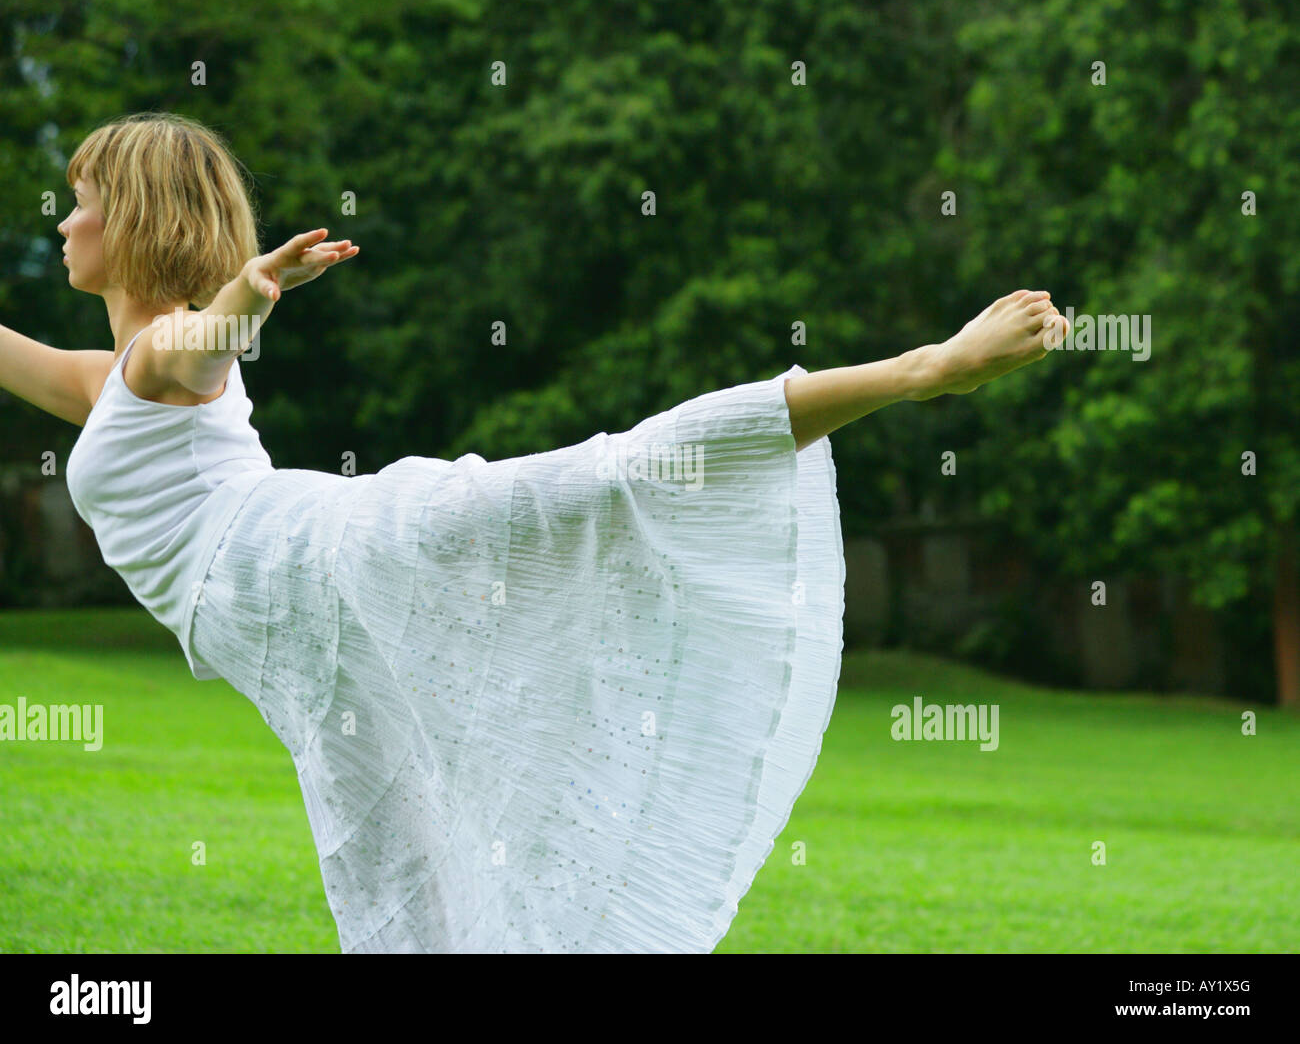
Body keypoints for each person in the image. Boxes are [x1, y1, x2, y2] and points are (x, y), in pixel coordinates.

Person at [2, 111, 1066, 952]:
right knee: (396, 841)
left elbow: (200, 348)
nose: (62, 223)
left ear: (133, 220)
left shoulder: (157, 360)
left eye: (82, 201)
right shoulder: (105, 380)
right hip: (302, 635)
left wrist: (246, 294)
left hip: (321, 560)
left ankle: (921, 370)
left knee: (609, 477)